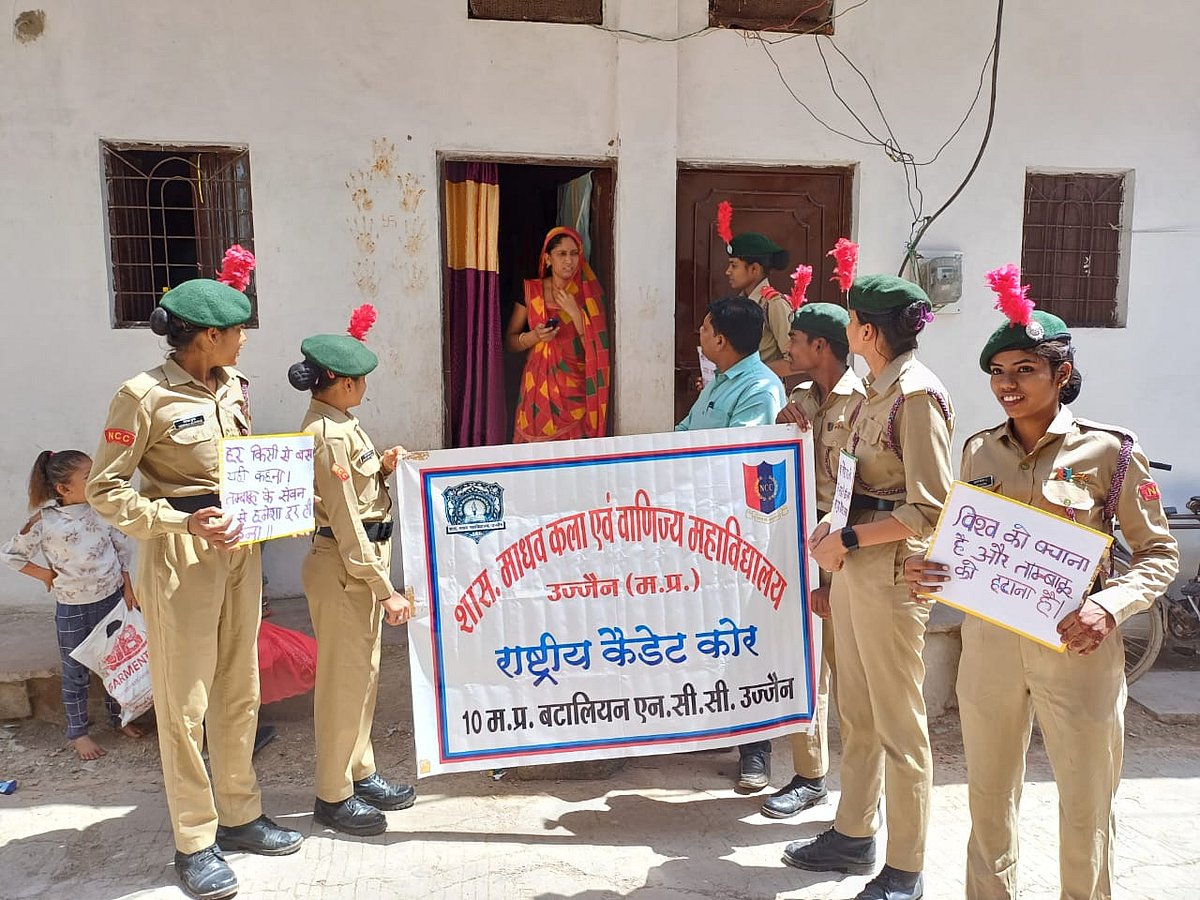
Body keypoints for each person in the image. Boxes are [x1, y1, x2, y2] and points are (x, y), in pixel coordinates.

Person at [904, 276, 1179, 900]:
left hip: (1077, 649)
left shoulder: (1110, 451)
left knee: (1085, 803)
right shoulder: (976, 452)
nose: (1007, 384)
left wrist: (1109, 608)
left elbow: (1159, 554)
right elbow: (964, 545)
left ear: (1062, 374)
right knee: (988, 800)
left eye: (1025, 369)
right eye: (997, 371)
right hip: (990, 650)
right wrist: (931, 570)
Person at [86, 250, 302, 900]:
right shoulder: (142, 396)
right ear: (207, 335)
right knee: (185, 703)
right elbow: (103, 489)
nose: (242, 340)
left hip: (240, 550)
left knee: (241, 688)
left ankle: (239, 813)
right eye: (237, 330)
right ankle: (195, 840)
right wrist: (178, 522)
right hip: (181, 556)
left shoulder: (233, 385)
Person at [784, 275, 954, 900]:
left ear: (870, 332)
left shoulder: (915, 395)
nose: (849, 329)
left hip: (888, 571)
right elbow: (855, 479)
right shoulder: (871, 393)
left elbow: (931, 508)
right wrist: (834, 524)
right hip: (854, 561)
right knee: (856, 710)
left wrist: (852, 540)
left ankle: (905, 867)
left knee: (898, 724)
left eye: (854, 321)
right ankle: (853, 833)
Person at [288, 305, 417, 837]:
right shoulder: (328, 435)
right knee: (344, 683)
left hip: (354, 568)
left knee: (361, 678)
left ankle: (359, 770)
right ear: (338, 383)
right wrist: (386, 590)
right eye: (359, 378)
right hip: (345, 568)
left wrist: (383, 467)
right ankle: (333, 793)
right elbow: (346, 523)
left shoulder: (342, 424)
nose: (364, 385)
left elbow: (360, 494)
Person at [676, 295, 786, 790]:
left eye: (703, 326)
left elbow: (737, 457)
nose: (698, 333)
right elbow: (681, 437)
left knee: (745, 636)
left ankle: (756, 750)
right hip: (702, 532)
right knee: (710, 630)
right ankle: (719, 721)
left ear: (720, 337)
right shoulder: (718, 383)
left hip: (741, 537)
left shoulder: (760, 388)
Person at [763, 303, 863, 818]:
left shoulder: (865, 403)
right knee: (808, 666)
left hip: (847, 547)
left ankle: (864, 792)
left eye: (796, 340)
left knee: (851, 673)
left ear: (821, 347)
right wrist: (783, 424)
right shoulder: (799, 397)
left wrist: (837, 565)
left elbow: (867, 484)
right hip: (801, 543)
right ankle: (810, 775)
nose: (789, 349)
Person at [1, 449, 146, 760]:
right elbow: (11, 555)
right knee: (75, 670)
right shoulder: (45, 521)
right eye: (87, 477)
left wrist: (129, 589)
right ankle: (78, 733)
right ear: (63, 489)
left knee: (116, 663)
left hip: (112, 600)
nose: (96, 480)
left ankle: (120, 718)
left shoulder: (103, 511)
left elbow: (121, 552)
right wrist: (44, 574)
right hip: (73, 608)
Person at [505, 226, 611, 443]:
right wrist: (534, 337)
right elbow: (510, 341)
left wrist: (575, 313)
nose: (569, 261)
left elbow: (597, 350)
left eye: (574, 254)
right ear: (548, 258)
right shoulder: (530, 291)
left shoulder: (589, 295)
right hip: (538, 391)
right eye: (561, 254)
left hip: (575, 392)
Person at [722, 231, 793, 379]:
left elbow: (794, 362)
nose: (728, 272)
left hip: (762, 393)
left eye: (734, 266)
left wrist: (750, 374)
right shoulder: (738, 304)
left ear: (754, 269)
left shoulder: (774, 305)